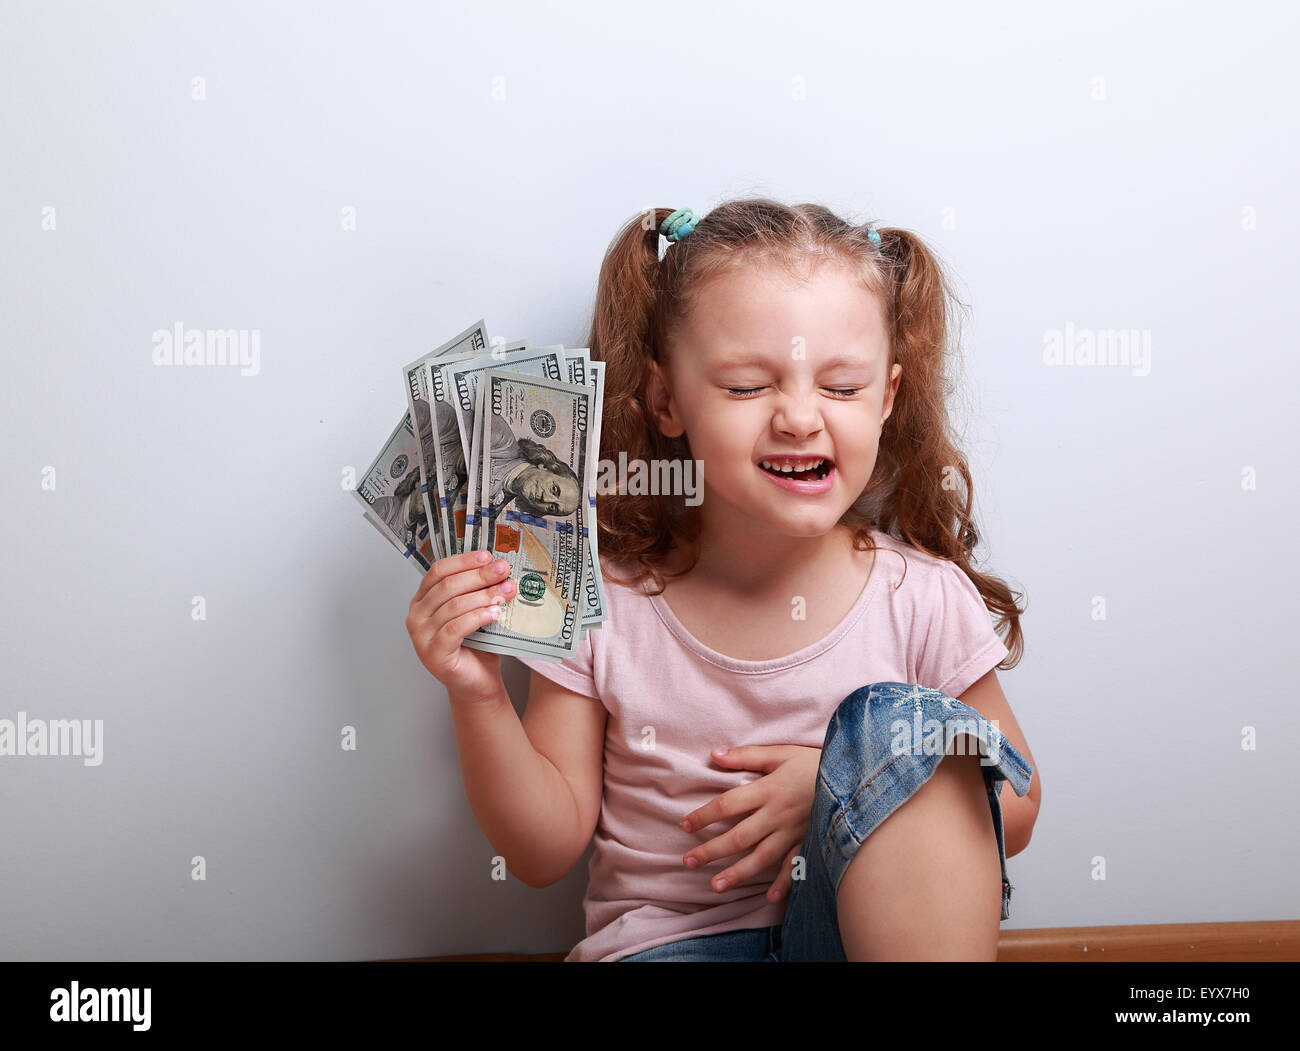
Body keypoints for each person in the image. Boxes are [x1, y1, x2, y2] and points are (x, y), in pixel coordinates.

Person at [404, 200, 1042, 962]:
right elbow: (542, 849)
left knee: (902, 729)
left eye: (841, 387)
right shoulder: (600, 598)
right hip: (667, 947)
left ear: (888, 397)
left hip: (852, 941)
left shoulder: (923, 597)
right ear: (667, 399)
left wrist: (847, 785)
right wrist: (476, 692)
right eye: (746, 386)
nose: (801, 417)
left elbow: (1020, 803)